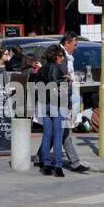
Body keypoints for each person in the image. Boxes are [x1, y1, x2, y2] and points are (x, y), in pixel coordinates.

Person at [32, 46, 68, 176]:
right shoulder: (57, 69)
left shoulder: (42, 69)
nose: (62, 58)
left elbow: (36, 85)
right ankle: (58, 166)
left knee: (47, 135)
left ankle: (46, 164)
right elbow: (56, 85)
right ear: (55, 56)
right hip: (55, 104)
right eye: (60, 56)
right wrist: (66, 80)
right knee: (57, 136)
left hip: (43, 104)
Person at [56, 32, 90, 171]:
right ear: (67, 43)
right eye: (75, 44)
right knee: (63, 131)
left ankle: (41, 158)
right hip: (59, 99)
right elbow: (60, 78)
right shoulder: (61, 58)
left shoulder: (67, 57)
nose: (76, 47)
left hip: (61, 98)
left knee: (58, 132)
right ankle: (75, 163)